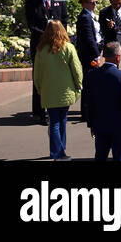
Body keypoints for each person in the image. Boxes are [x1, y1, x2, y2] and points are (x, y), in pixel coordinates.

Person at [32, 19, 82, 160]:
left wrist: (39, 87)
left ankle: (57, 150)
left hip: (48, 90)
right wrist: (79, 84)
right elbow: (76, 69)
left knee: (54, 121)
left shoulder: (41, 50)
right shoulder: (68, 47)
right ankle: (59, 152)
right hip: (65, 89)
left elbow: (37, 72)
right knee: (62, 120)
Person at [86, 43, 121, 161]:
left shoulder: (92, 75)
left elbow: (89, 102)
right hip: (120, 127)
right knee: (120, 157)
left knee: (100, 156)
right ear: (118, 57)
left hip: (99, 124)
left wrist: (91, 124)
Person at [26, 0, 66, 124]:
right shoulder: (31, 2)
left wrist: (59, 38)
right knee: (40, 77)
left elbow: (64, 20)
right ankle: (38, 111)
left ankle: (52, 109)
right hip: (40, 45)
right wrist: (47, 37)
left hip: (56, 45)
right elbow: (32, 25)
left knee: (54, 76)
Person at [74, 0, 101, 121]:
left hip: (92, 52)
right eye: (92, 2)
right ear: (85, 4)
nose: (95, 4)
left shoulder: (90, 15)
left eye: (96, 2)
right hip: (89, 55)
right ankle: (86, 112)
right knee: (89, 83)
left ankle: (90, 110)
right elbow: (89, 39)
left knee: (93, 83)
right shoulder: (85, 17)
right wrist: (97, 56)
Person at [97, 0, 121, 70]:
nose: (117, 6)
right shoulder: (104, 12)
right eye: (114, 4)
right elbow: (101, 31)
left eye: (119, 3)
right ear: (110, 1)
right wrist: (108, 27)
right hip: (111, 46)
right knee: (112, 69)